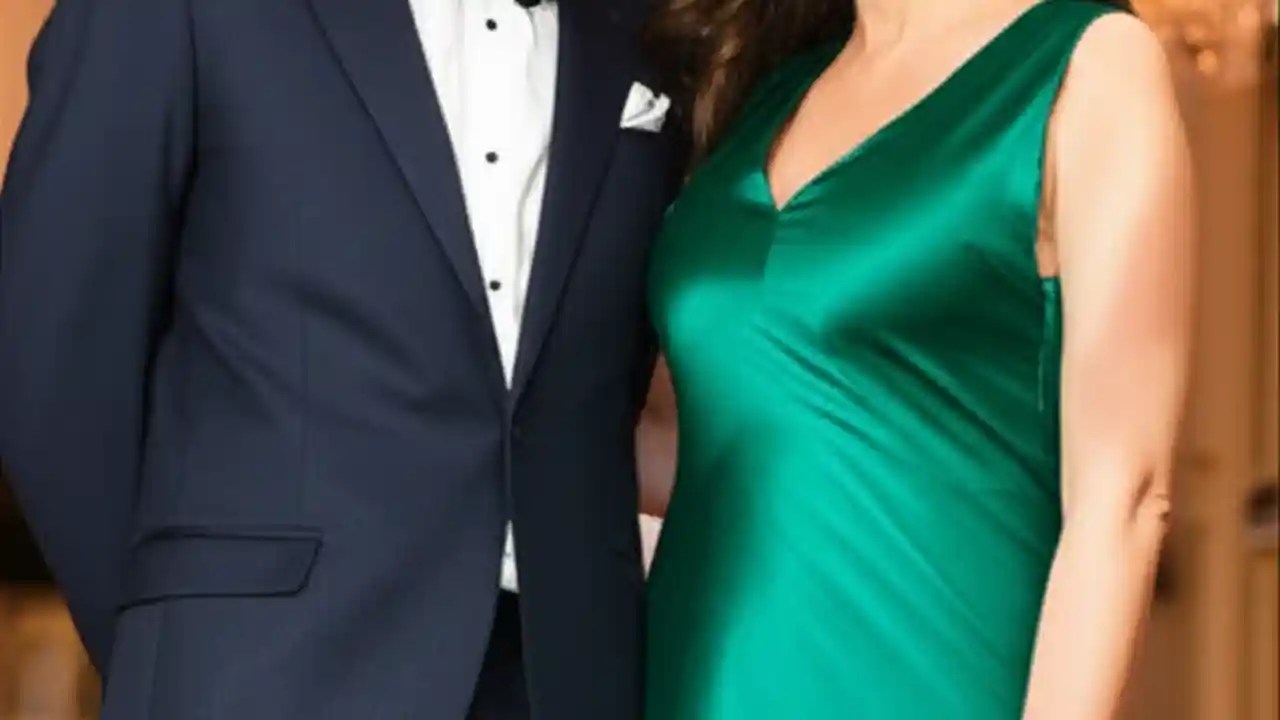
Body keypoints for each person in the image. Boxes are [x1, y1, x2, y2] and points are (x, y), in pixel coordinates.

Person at [0, 0, 680, 717]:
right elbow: (51, 351)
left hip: (568, 679)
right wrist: (171, 634)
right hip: (262, 672)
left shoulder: (653, 24)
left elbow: (615, 383)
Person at [638, 0, 1194, 716]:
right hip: (703, 680)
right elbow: (689, 445)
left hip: (930, 677)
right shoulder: (760, 89)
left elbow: (1124, 498)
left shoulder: (1089, 63)